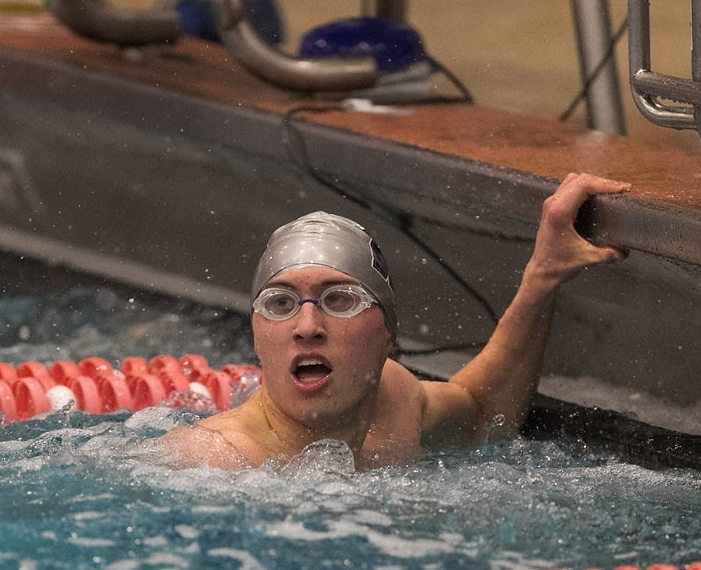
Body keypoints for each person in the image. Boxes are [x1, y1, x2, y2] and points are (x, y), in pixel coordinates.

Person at [163, 172, 628, 471]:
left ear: (389, 336)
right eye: (280, 303)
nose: (306, 326)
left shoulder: (394, 401)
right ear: (256, 337)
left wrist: (543, 275)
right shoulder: (216, 461)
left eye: (340, 300)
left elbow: (484, 414)